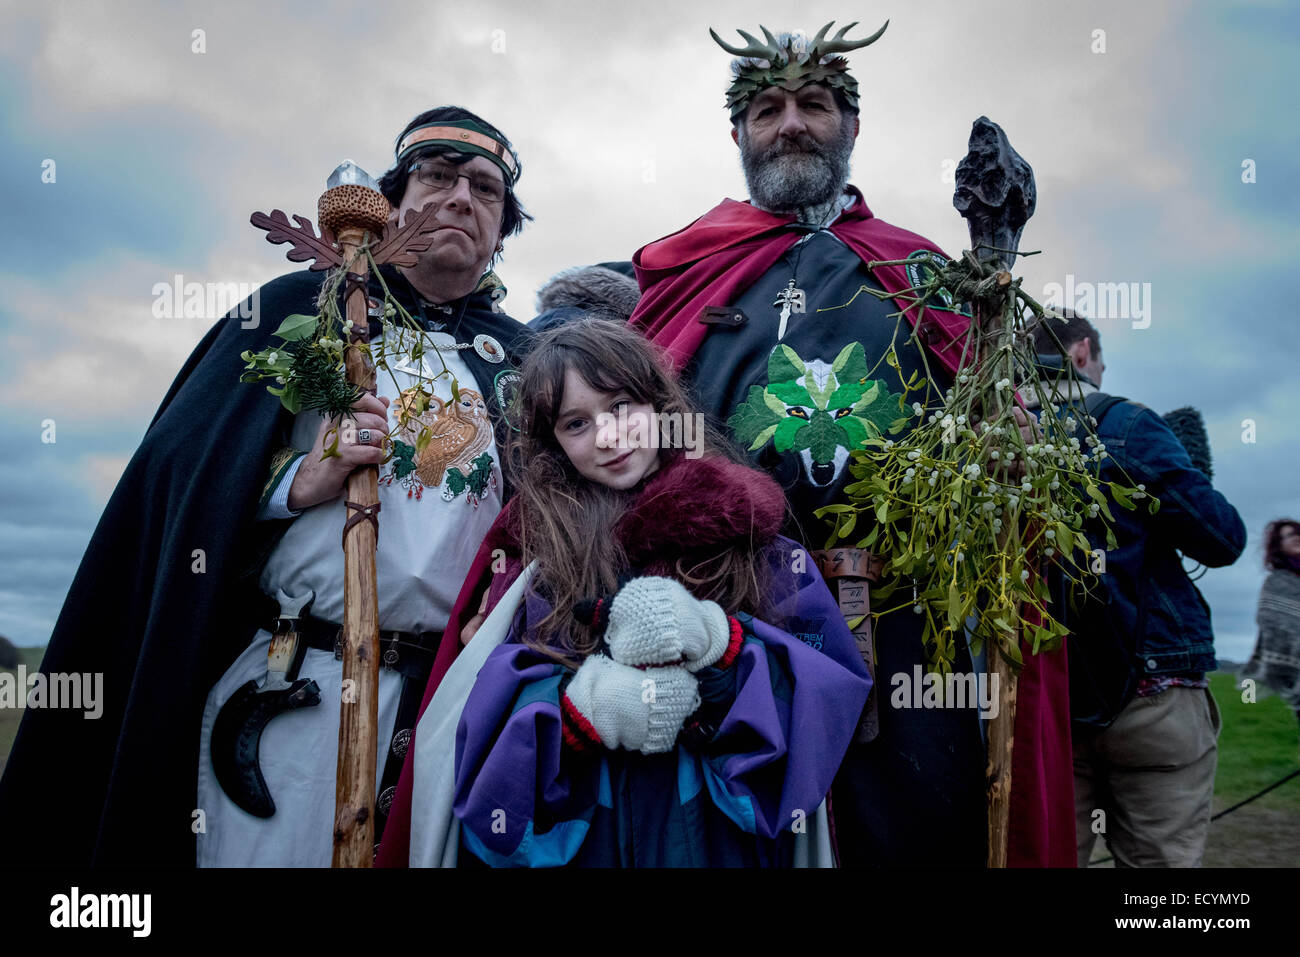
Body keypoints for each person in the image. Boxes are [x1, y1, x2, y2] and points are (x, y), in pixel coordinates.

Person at [0, 105, 533, 867]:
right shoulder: (303, 311)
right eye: (438, 176)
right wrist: (296, 480)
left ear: (503, 229)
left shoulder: (523, 358)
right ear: (391, 200)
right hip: (300, 688)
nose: (460, 199)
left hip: (451, 700)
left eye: (485, 190)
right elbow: (183, 473)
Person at [624, 21, 1071, 866]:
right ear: (738, 135)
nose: (790, 122)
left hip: (902, 630)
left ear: (852, 126)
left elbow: (988, 439)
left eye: (815, 104)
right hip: (724, 616)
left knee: (913, 838)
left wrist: (1004, 443)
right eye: (767, 109)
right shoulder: (686, 273)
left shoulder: (919, 270)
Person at [395, 318, 871, 866]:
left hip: (717, 839)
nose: (608, 435)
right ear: (553, 443)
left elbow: (825, 683)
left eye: (621, 406)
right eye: (576, 423)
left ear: (661, 407)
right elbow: (481, 717)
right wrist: (575, 712)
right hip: (593, 837)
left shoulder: (749, 537)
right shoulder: (540, 558)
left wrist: (726, 648)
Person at [1029, 310, 1247, 868]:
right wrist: (1189, 474)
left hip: (1038, 694)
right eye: (1100, 360)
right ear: (1081, 352)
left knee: (1050, 856)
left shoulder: (986, 429)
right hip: (1152, 690)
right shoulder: (1126, 423)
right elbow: (1221, 539)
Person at [1243, 520, 1300, 726]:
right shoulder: (1278, 582)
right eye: (1288, 535)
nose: (1296, 537)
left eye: (1298, 532)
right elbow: (1271, 620)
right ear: (1277, 545)